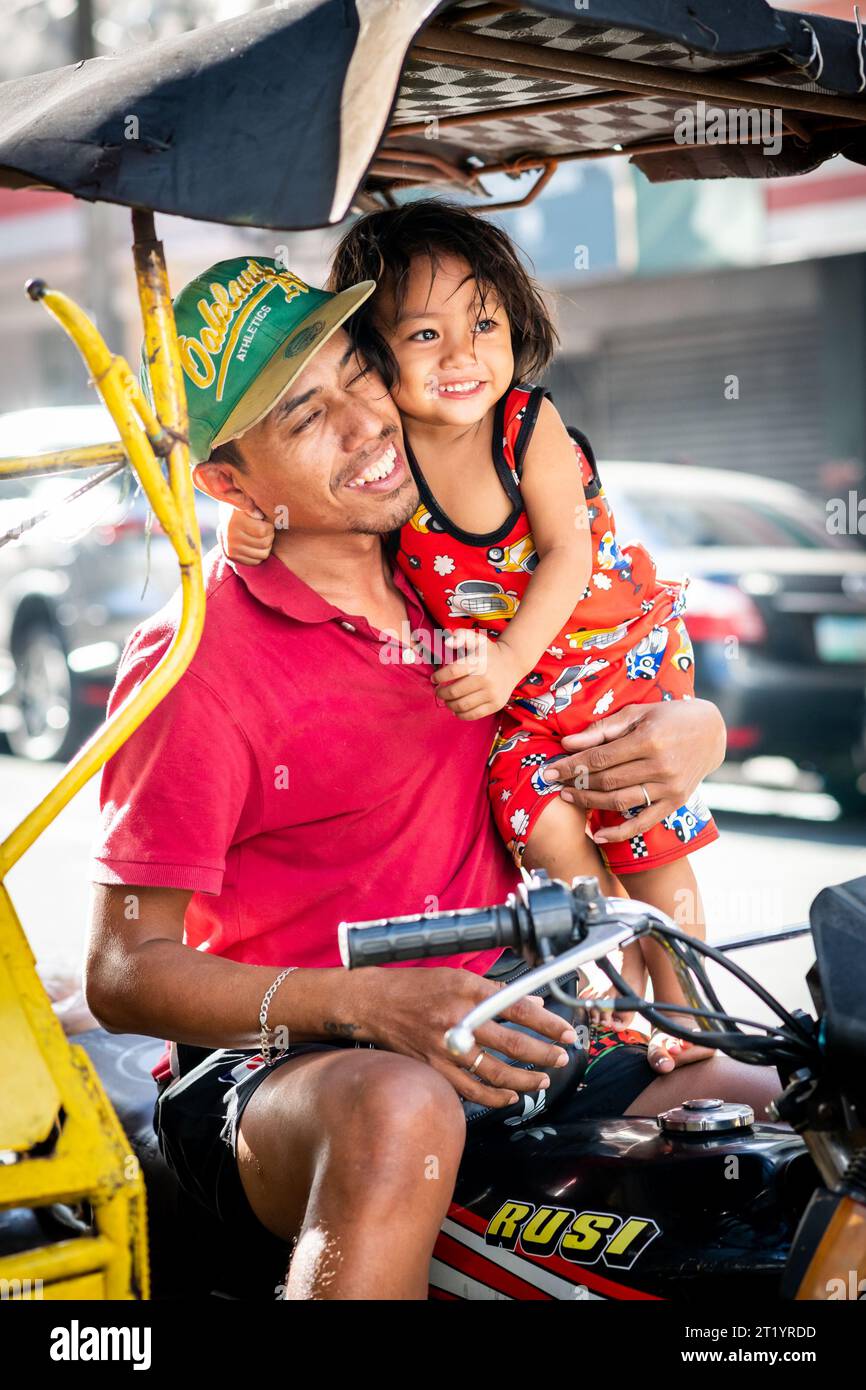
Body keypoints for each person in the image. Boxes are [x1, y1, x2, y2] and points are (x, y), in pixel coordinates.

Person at [86, 255, 775, 1302]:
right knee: (399, 1107)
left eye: (363, 374)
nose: (365, 421)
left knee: (805, 1101)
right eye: (305, 413)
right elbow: (122, 970)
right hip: (292, 1072)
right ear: (229, 482)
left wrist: (693, 729)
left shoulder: (464, 568)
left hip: (527, 1028)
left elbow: (611, 654)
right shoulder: (194, 658)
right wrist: (369, 1005)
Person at [225, 201, 717, 1020]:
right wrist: (243, 519)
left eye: (483, 324)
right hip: (519, 701)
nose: (463, 355)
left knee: (644, 833)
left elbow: (568, 554)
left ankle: (690, 1000)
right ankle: (624, 965)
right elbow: (298, 496)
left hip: (607, 663)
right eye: (424, 336)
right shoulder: (392, 461)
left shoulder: (528, 426)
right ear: (375, 358)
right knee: (534, 812)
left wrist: (509, 662)